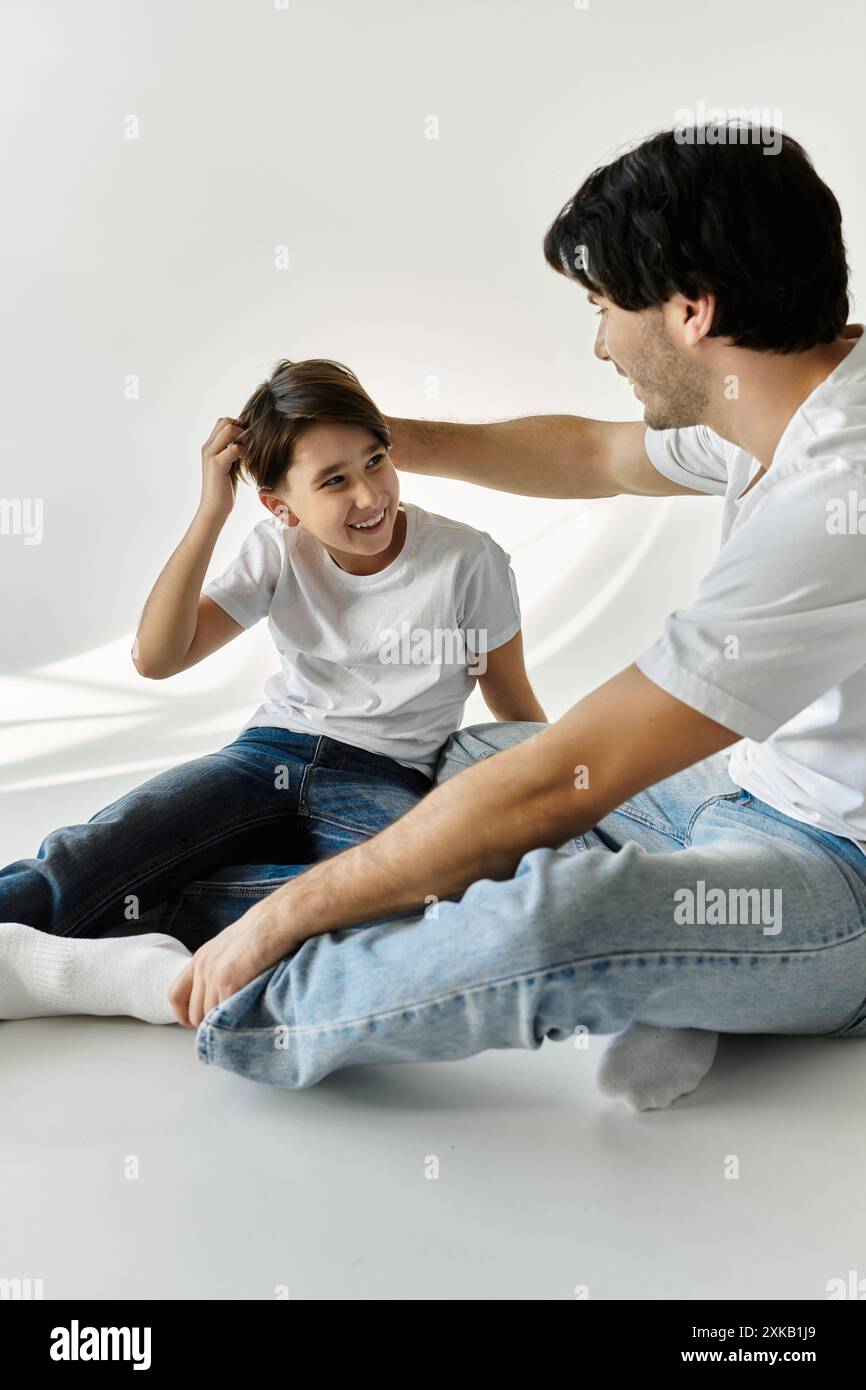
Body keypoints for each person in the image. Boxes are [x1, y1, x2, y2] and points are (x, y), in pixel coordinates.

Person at [149, 122, 866, 1110]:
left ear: (691, 310)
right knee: (471, 759)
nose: (597, 339)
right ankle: (693, 970)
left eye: (603, 305)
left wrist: (293, 912)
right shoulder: (781, 394)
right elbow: (586, 456)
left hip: (840, 871)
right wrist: (366, 441)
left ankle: (190, 986)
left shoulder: (841, 491)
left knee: (555, 914)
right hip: (743, 789)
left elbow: (557, 793)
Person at [0, 358, 546, 1027]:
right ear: (281, 505)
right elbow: (157, 658)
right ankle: (86, 912)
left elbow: (515, 706)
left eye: (376, 461)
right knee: (91, 853)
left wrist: (558, 807)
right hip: (267, 757)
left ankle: (164, 909)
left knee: (429, 903)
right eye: (334, 481)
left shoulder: (469, 560)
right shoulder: (277, 548)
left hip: (386, 778)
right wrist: (210, 511)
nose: (370, 496)